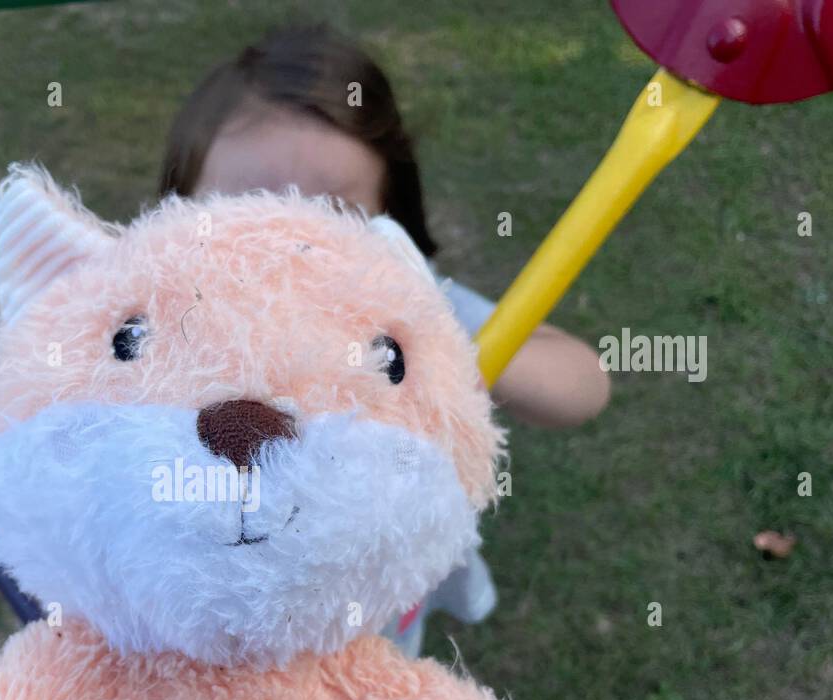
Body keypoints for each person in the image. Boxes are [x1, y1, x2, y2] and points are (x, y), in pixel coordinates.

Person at [157, 24, 609, 653]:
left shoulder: (411, 323)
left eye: (331, 215)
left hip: (373, 636)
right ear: (176, 218)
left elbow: (583, 385)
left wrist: (459, 359)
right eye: (246, 214)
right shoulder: (153, 332)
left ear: (389, 222)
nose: (288, 248)